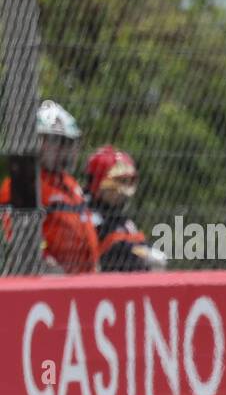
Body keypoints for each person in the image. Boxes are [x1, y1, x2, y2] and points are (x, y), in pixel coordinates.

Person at [0, 100, 99, 273]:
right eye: (57, 141)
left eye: (69, 143)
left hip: (83, 280)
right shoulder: (25, 183)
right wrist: (43, 262)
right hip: (48, 279)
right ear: (38, 141)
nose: (65, 150)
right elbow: (10, 236)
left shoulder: (70, 183)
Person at [85, 145, 162, 272]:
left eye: (128, 181)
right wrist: (143, 254)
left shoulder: (120, 218)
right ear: (99, 181)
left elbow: (137, 241)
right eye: (119, 181)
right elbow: (111, 248)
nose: (124, 191)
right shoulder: (86, 213)